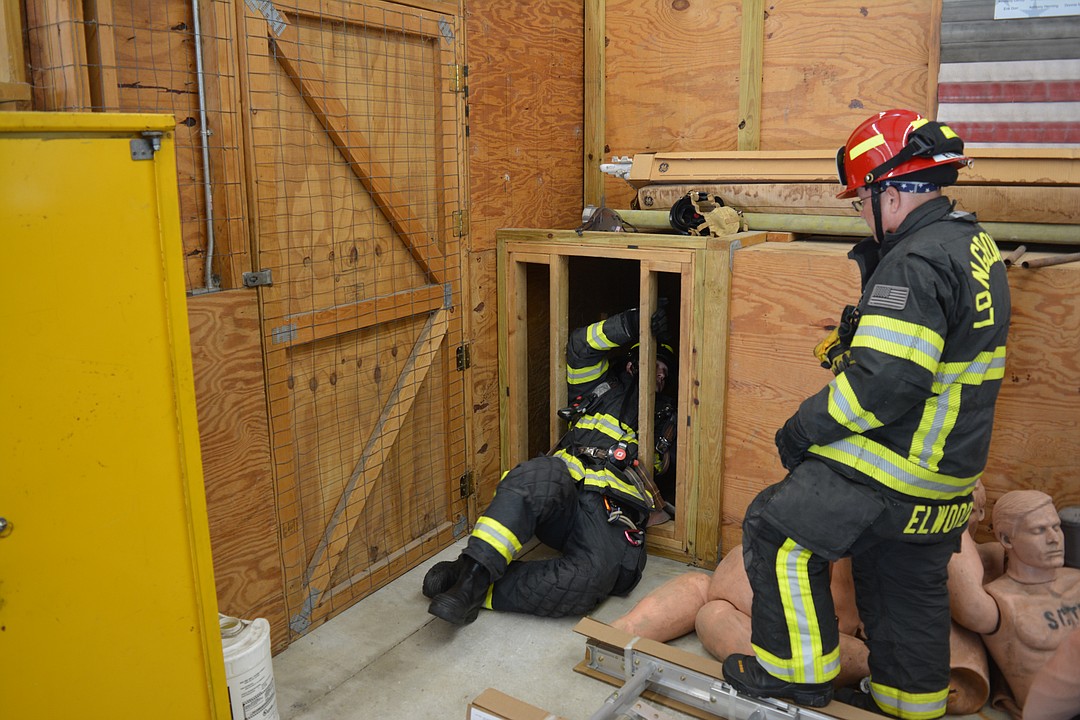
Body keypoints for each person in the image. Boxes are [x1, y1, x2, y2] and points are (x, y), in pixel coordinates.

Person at [721, 108, 1011, 719]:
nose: (861, 214)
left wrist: (803, 428)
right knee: (904, 581)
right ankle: (909, 703)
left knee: (778, 529)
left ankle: (796, 677)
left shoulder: (915, 261)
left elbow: (884, 383)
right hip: (950, 467)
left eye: (862, 200)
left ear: (892, 190)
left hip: (903, 461)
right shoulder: (972, 243)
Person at [422, 304, 677, 625]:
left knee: (592, 578)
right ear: (631, 364)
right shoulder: (596, 387)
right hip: (562, 492)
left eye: (665, 373)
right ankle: (472, 575)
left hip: (609, 515)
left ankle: (477, 587)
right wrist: (632, 323)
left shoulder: (667, 421)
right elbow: (581, 345)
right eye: (655, 364)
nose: (660, 375)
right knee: (533, 476)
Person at [947, 490, 1080, 717]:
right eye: (1039, 530)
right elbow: (965, 591)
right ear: (1007, 539)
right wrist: (951, 497)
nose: (1054, 538)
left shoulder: (1076, 579)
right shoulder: (1000, 602)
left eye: (1056, 527)